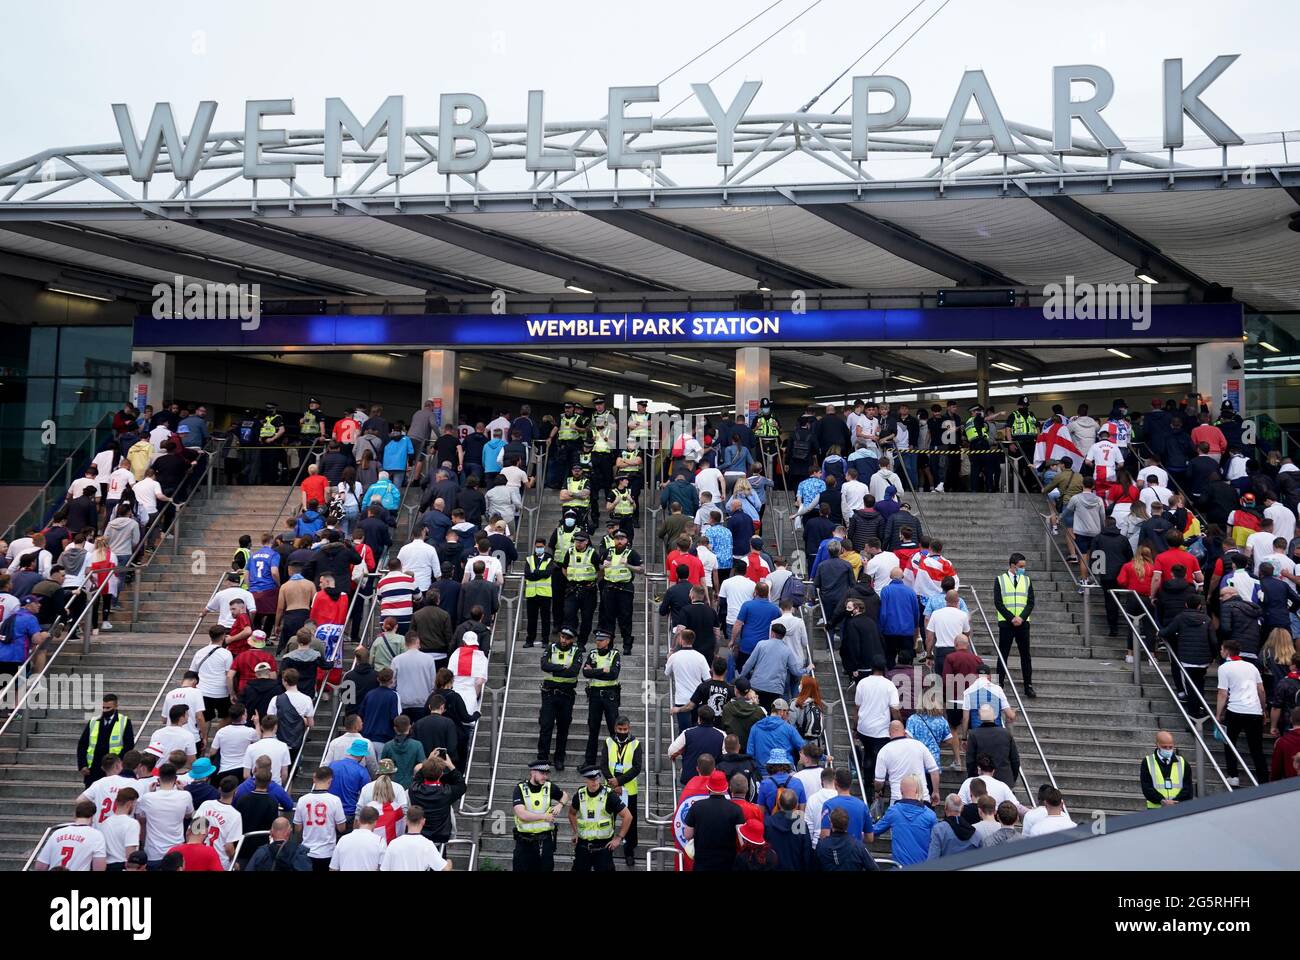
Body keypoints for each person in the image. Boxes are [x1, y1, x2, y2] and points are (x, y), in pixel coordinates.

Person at [1215, 638, 1269, 786]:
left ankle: (1233, 775)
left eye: (1221, 649)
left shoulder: (1224, 668)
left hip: (1235, 710)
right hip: (1254, 711)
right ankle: (1263, 780)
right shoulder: (1252, 667)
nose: (1220, 652)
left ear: (1226, 651)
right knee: (1257, 748)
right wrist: (1263, 710)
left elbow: (1222, 693)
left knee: (1230, 743)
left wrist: (1218, 714)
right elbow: (1261, 690)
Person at [567, 765, 632, 872]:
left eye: (596, 778)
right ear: (585, 780)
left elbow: (628, 816)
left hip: (603, 847)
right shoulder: (580, 794)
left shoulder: (609, 795)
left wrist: (619, 838)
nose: (595, 782)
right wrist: (576, 832)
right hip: (583, 846)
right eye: (591, 779)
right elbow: (571, 813)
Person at [681, 769, 745, 872]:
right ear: (726, 787)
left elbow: (687, 835)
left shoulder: (697, 807)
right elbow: (742, 841)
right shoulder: (736, 809)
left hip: (702, 862)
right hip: (727, 863)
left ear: (708, 786)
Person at [852, 659, 898, 800]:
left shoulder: (862, 683)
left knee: (868, 757)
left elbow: (857, 707)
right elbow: (894, 708)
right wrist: (898, 723)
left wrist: (855, 727)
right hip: (882, 730)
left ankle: (867, 789)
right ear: (884, 669)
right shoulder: (889, 685)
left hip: (864, 727)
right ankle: (879, 791)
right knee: (880, 760)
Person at [537, 627, 581, 770]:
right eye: (562, 637)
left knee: (563, 728)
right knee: (546, 726)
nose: (564, 640)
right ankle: (542, 758)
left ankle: (559, 758)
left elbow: (573, 671)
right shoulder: (551, 648)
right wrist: (563, 667)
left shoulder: (577, 651)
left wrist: (554, 668)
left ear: (573, 640)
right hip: (549, 694)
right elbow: (544, 665)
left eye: (567, 638)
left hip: (566, 696)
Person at [513, 759, 568, 872]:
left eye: (547, 773)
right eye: (542, 773)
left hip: (544, 841)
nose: (545, 776)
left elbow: (565, 795)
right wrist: (544, 816)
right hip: (525, 841)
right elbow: (521, 814)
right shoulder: (520, 789)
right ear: (533, 772)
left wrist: (560, 805)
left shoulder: (549, 787)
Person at [293, 766, 348, 871]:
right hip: (327, 852)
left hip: (307, 851)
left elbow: (297, 828)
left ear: (314, 778)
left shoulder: (302, 800)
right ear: (330, 780)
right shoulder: (335, 800)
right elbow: (341, 828)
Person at [76, 693, 135, 787]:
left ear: (115, 706)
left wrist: (118, 764)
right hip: (94, 769)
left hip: (113, 768)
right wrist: (82, 765)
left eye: (108, 708)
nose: (105, 710)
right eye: (103, 707)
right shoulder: (94, 721)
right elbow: (82, 745)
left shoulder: (124, 721)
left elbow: (129, 745)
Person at [33, 799, 107, 871]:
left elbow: (40, 866)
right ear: (93, 817)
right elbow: (99, 867)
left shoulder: (57, 833)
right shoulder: (96, 836)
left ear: (75, 815)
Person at [381, 806, 453, 871]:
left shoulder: (393, 843)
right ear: (423, 821)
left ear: (406, 820)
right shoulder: (427, 845)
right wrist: (449, 861)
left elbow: (384, 869)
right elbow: (445, 869)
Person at [1140, 730, 1194, 808]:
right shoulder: (1147, 762)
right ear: (1157, 745)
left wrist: (1175, 802)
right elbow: (1147, 788)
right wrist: (1161, 800)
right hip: (1156, 809)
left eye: (1171, 747)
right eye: (1164, 747)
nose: (1168, 749)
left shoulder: (1182, 762)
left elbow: (1188, 788)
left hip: (1178, 807)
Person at [330, 805, 387, 871]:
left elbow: (333, 868)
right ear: (375, 822)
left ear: (358, 820)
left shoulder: (343, 839)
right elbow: (382, 868)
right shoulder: (380, 842)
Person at [928, 794, 983, 859]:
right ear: (962, 809)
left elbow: (932, 859)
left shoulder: (939, 830)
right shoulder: (975, 833)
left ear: (945, 809)